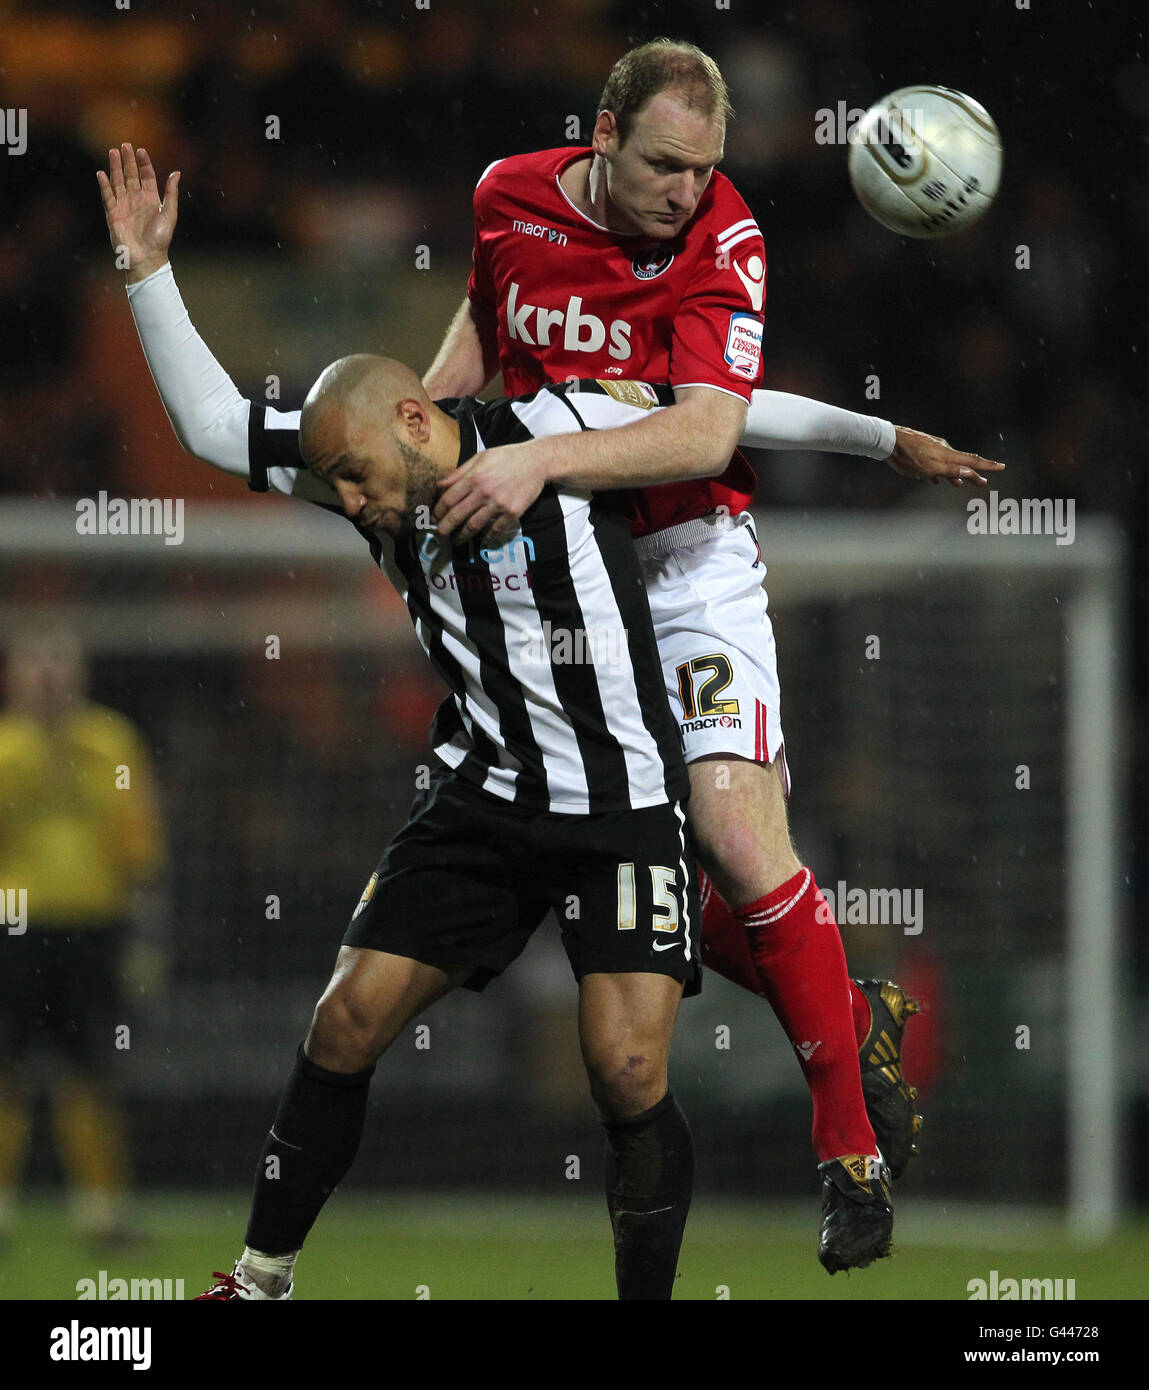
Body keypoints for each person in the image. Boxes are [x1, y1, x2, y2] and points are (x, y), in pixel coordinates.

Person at [423, 38, 1002, 1272]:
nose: (688, 191)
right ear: (601, 133)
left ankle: (849, 1156)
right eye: (664, 166)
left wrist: (534, 457)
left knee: (739, 837)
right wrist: (421, 448)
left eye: (705, 168)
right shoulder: (505, 197)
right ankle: (851, 1010)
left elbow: (704, 433)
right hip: (562, 581)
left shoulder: (724, 237)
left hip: (688, 566)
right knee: (621, 877)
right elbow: (482, 330)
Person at [102, 144, 712, 1301]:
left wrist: (883, 440)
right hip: (483, 796)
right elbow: (214, 425)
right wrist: (146, 274)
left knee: (627, 1068)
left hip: (622, 800)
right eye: (333, 482)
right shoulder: (370, 479)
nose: (346, 500)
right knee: (344, 1021)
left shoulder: (560, 433)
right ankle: (261, 1278)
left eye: (353, 475)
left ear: (414, 418)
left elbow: (722, 419)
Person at [0, 626, 166, 1247]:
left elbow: (139, 839)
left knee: (91, 1070)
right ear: (13, 675)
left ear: (80, 673)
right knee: (5, 1069)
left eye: (58, 661)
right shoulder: (4, 749)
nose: (47, 674)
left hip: (93, 928)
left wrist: (146, 933)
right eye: (35, 661)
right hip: (13, 928)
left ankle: (103, 1214)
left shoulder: (111, 743)